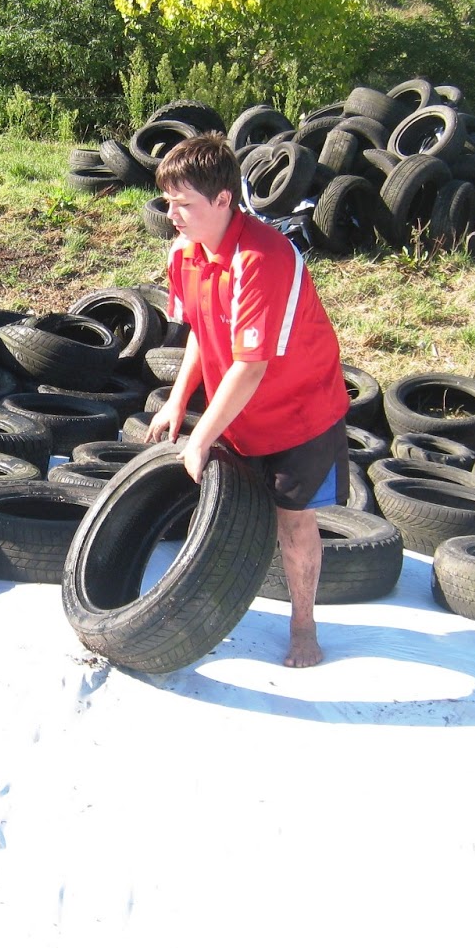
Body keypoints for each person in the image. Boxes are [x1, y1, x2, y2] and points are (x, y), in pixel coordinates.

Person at [146, 134, 351, 668]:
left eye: (185, 203)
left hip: (301, 417)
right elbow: (199, 330)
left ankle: (304, 625)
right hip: (241, 414)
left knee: (293, 520)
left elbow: (250, 364)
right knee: (228, 509)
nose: (173, 214)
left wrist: (201, 436)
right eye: (168, 201)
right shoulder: (184, 253)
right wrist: (177, 400)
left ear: (223, 201)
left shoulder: (264, 258)